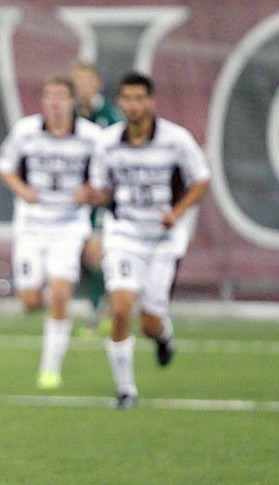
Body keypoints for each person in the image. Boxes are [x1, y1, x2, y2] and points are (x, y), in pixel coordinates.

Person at [84, 72, 211, 409]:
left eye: (140, 98)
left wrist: (178, 211)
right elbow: (101, 190)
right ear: (120, 102)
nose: (134, 105)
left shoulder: (176, 139)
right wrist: (93, 204)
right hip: (123, 234)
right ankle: (127, 391)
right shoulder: (107, 141)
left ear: (151, 101)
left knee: (150, 320)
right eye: (127, 98)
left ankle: (163, 336)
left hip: (162, 239)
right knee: (121, 307)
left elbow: (201, 179)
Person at [0, 76, 102, 390]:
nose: (54, 102)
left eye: (60, 96)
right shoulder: (26, 131)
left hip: (69, 224)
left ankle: (50, 370)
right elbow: (5, 166)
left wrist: (91, 192)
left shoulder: (92, 137)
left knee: (59, 293)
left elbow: (103, 178)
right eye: (49, 95)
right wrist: (22, 189)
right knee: (29, 301)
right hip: (32, 224)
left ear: (73, 102)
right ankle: (47, 309)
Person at [70, 61, 124, 335]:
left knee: (96, 252)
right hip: (77, 198)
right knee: (85, 255)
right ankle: (104, 306)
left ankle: (99, 312)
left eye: (86, 81)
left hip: (102, 197)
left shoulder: (110, 118)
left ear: (97, 84)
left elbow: (121, 157)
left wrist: (103, 192)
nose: (81, 87)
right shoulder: (71, 116)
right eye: (77, 82)